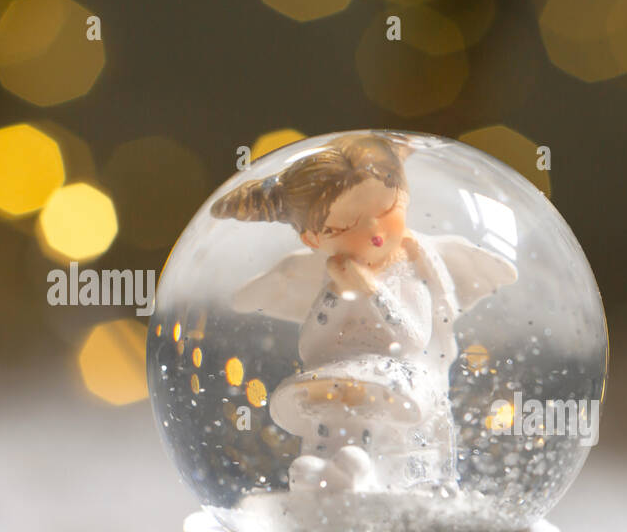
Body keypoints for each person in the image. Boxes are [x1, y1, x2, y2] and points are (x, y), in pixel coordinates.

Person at [211, 133, 517, 496]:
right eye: (345, 227)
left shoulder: (411, 268)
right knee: (331, 410)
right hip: (343, 371)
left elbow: (411, 337)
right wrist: (337, 296)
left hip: (400, 373)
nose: (374, 232)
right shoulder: (334, 276)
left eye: (387, 212)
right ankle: (324, 471)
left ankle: (374, 477)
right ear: (313, 240)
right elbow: (312, 346)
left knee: (379, 418)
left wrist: (369, 290)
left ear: (405, 198)